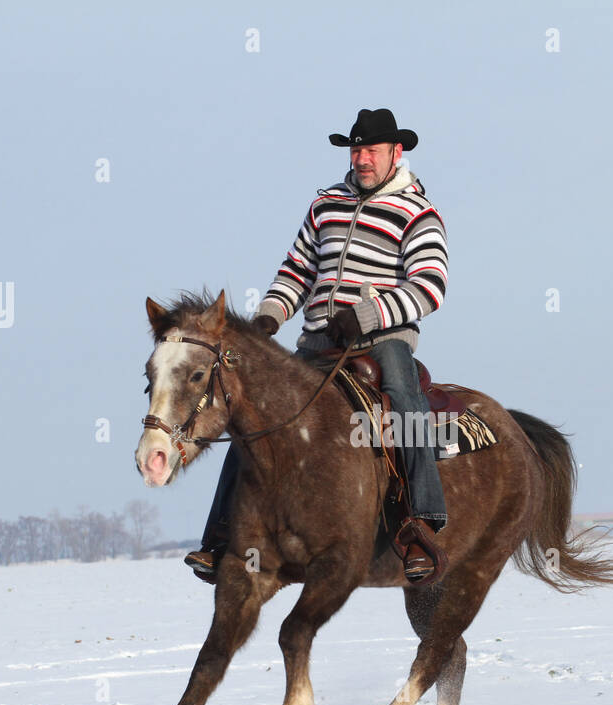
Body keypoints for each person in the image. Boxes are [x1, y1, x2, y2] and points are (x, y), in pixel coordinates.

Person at [187, 107, 449, 582]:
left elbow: (429, 286)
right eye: (356, 149)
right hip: (319, 340)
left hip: (382, 340)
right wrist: (270, 313)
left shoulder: (419, 214)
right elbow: (298, 270)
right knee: (249, 410)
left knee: (406, 404)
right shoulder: (325, 204)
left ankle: (419, 524)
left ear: (396, 152)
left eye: (371, 149)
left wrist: (367, 315)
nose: (362, 158)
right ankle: (220, 536)